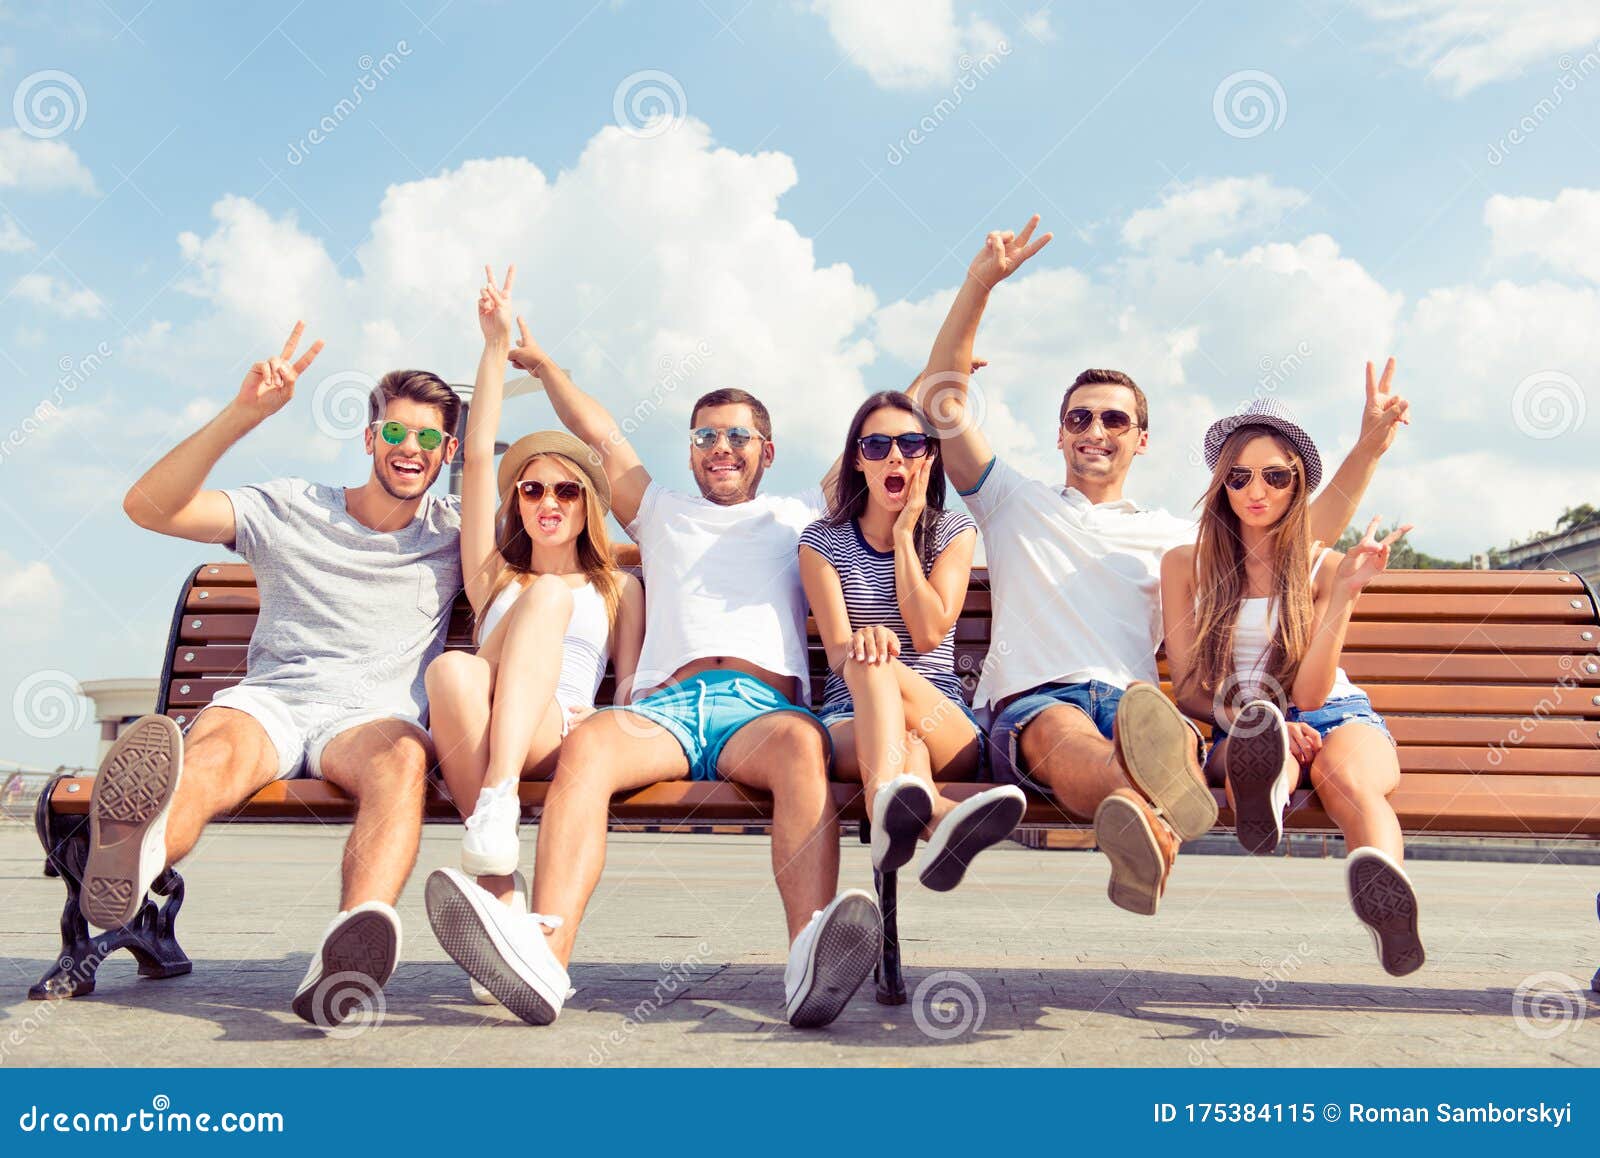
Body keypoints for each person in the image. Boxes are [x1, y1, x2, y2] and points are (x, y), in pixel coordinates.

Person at [920, 214, 1410, 917]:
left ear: (1141, 439)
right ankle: (1147, 821)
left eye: (1115, 420)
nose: (1096, 431)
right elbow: (940, 403)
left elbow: (1299, 535)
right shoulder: (1011, 502)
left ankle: (1146, 824)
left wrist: (1369, 449)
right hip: (1039, 699)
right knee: (1067, 737)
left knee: (1169, 737)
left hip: (1138, 706)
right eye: (1081, 418)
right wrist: (979, 286)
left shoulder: (1174, 537)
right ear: (1059, 433)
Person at [425, 308, 882, 1029]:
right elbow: (602, 437)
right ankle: (545, 958)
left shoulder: (801, 513)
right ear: (691, 449)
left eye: (738, 436)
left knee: (802, 746)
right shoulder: (660, 510)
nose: (721, 448)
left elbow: (876, 438)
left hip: (758, 712)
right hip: (665, 710)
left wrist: (955, 346)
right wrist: (545, 369)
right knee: (590, 744)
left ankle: (808, 957)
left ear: (767, 449)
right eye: (705, 436)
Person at [90, 322, 465, 1027]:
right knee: (215, 755)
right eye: (394, 434)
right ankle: (128, 872)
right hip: (273, 701)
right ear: (369, 439)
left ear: (448, 451)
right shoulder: (292, 505)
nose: (408, 451)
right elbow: (149, 507)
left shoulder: (454, 528)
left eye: (426, 440)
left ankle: (349, 951)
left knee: (403, 759)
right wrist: (244, 415)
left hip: (371, 717)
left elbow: (574, 533)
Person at [423, 267, 644, 1003]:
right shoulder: (492, 574)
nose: (547, 501)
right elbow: (478, 451)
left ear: (588, 502)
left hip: (555, 724)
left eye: (566, 489)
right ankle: (500, 874)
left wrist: (609, 723)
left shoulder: (620, 588)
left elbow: (635, 685)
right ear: (517, 501)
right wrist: (492, 347)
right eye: (532, 489)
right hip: (480, 724)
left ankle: (500, 848)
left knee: (537, 605)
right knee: (453, 673)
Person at [1161, 399, 1422, 974]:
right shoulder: (1184, 564)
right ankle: (1266, 796)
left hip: (1337, 712)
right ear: (1222, 486)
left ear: (1297, 486)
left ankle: (1390, 906)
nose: (1257, 490)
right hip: (1247, 722)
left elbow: (1313, 691)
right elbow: (1186, 690)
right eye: (1240, 476)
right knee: (1262, 750)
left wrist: (1346, 595)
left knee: (1347, 778)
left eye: (1276, 476)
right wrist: (1258, 719)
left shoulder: (1323, 566)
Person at [799, 389, 1024, 890]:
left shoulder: (951, 529)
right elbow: (838, 653)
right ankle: (936, 817)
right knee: (900, 737)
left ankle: (886, 808)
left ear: (929, 455)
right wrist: (866, 644)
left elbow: (927, 632)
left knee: (882, 672)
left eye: (910, 443)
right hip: (850, 717)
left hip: (939, 714)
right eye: (876, 446)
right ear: (858, 460)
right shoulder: (821, 541)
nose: (894, 456)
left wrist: (905, 536)